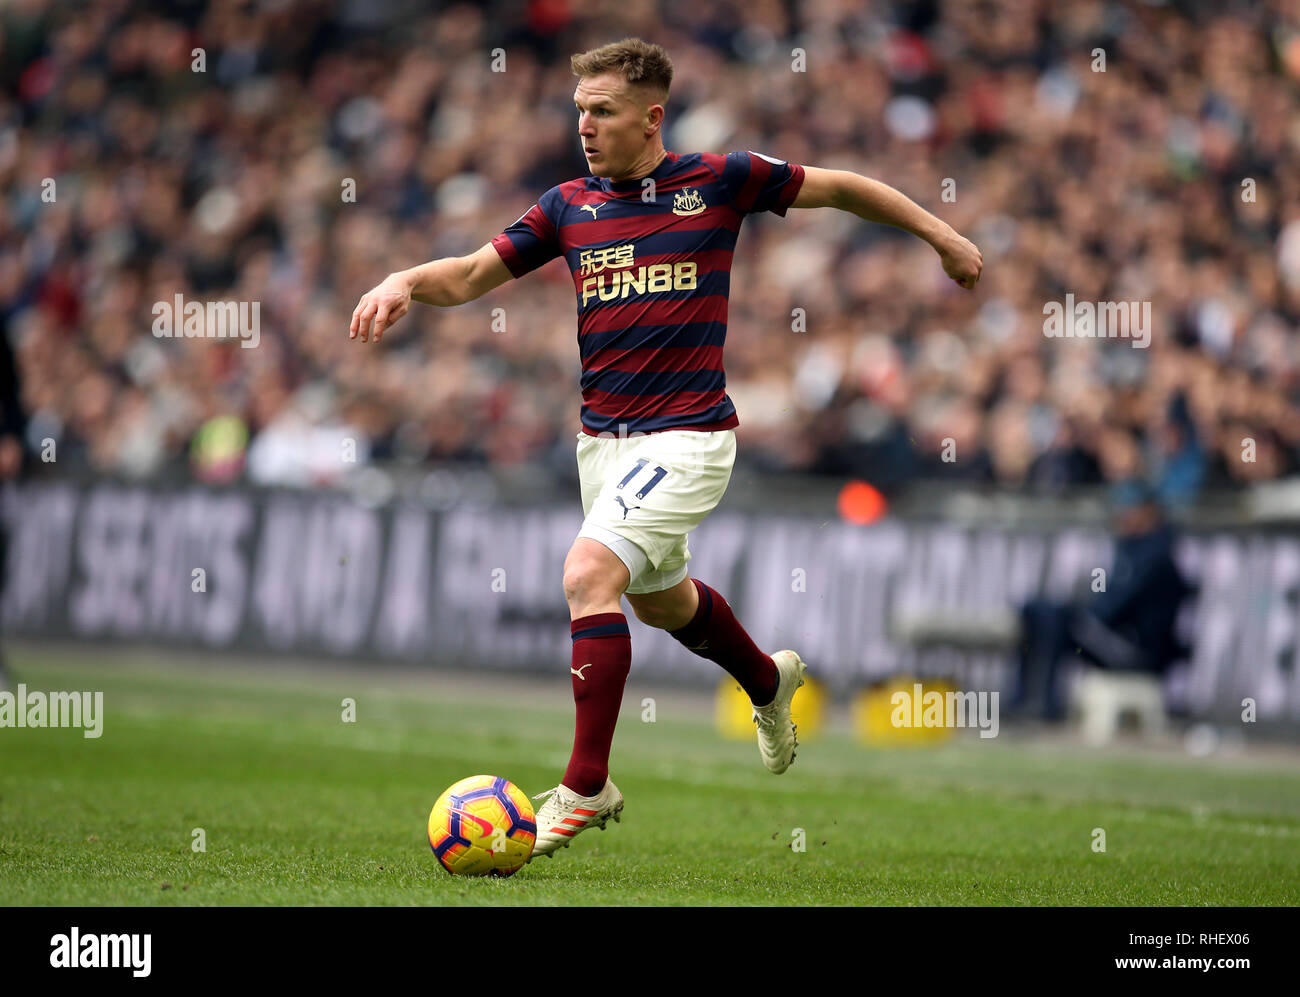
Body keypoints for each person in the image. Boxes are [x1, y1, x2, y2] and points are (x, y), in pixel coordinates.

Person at [349, 38, 983, 860]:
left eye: (602, 111)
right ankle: (768, 680)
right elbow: (471, 275)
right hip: (602, 448)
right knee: (657, 601)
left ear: (651, 118)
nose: (584, 125)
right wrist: (403, 280)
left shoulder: (719, 180)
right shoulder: (567, 206)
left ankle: (585, 784)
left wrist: (942, 237)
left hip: (688, 437)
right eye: (579, 110)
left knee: (587, 574)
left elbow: (843, 188)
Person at [1012, 480, 1192, 721]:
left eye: (1130, 509)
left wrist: (1084, 610)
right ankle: (1025, 698)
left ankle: (1042, 704)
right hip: (1119, 635)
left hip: (1138, 648)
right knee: (1037, 612)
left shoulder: (1156, 555)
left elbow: (1111, 607)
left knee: (1053, 618)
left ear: (1149, 511)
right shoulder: (1134, 547)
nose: (1122, 516)